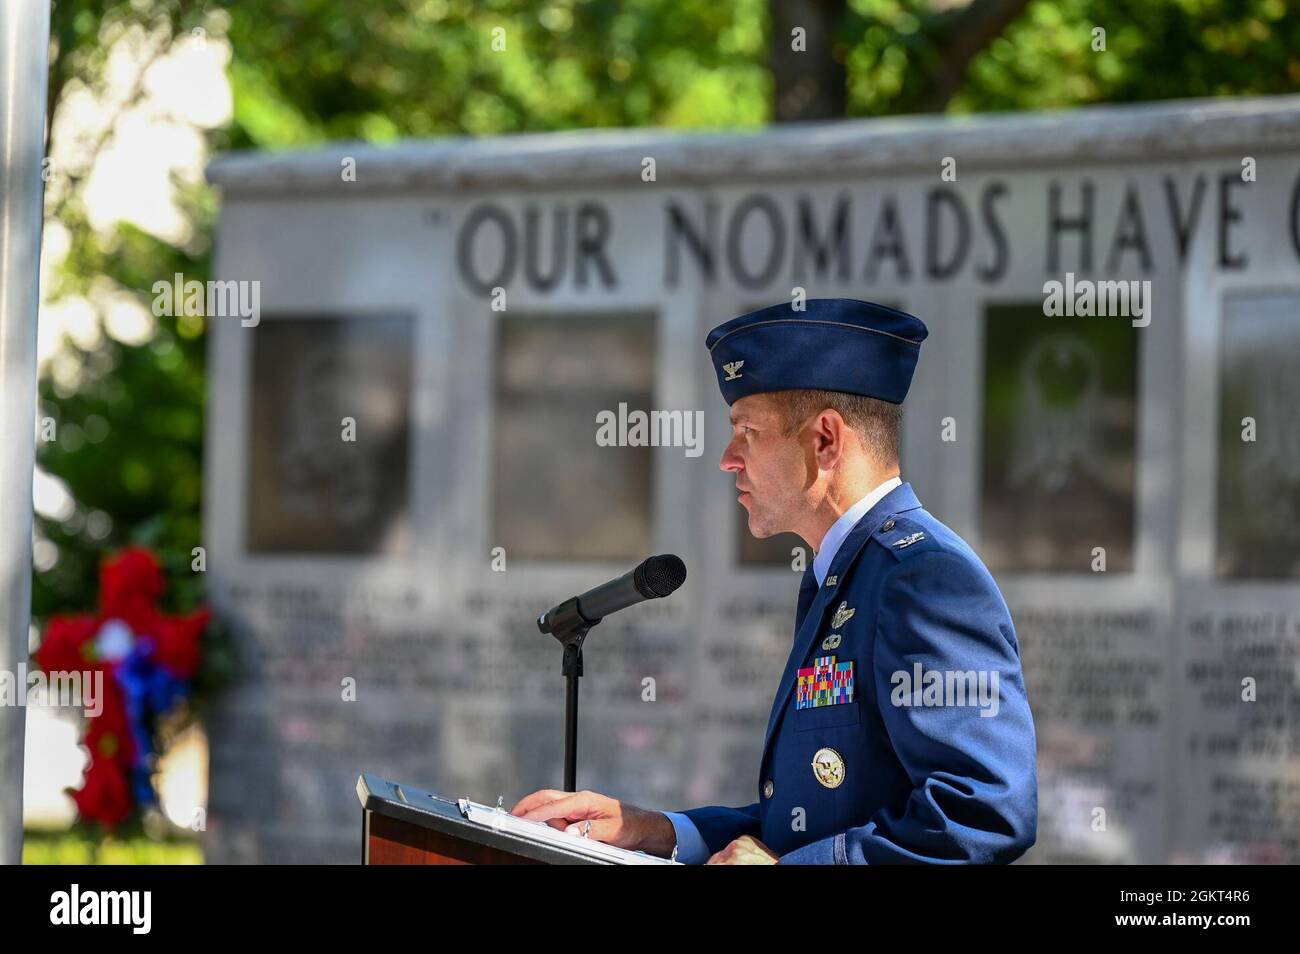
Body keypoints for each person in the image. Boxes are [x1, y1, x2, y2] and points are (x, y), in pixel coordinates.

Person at [511, 298, 1038, 864]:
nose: (728, 458)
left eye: (748, 431)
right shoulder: (844, 574)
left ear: (825, 441)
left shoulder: (921, 578)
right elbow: (814, 817)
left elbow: (981, 812)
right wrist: (660, 831)